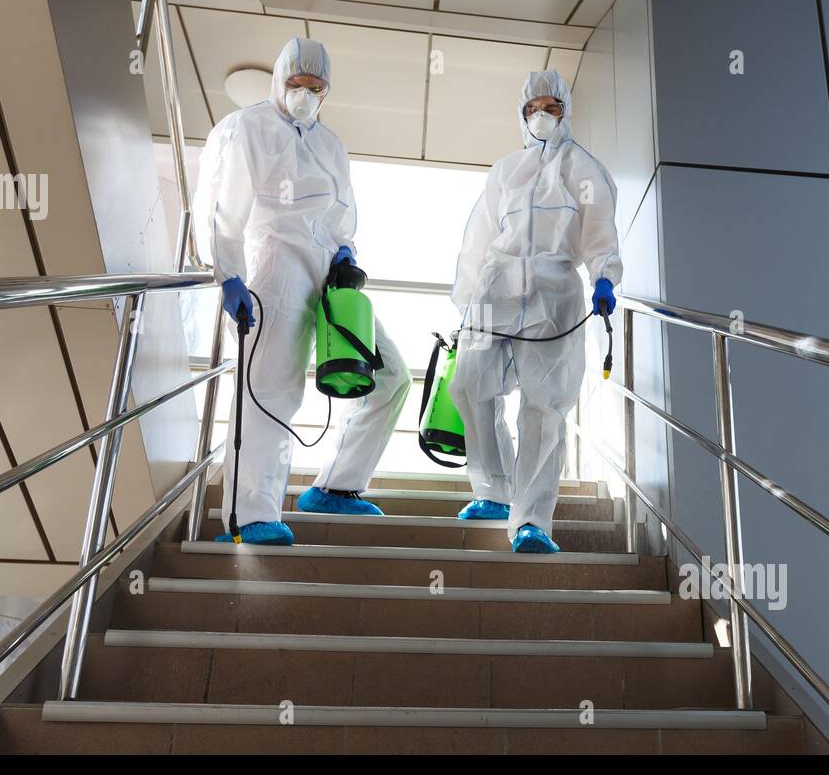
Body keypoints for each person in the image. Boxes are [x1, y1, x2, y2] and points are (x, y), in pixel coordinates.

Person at [192, 38, 410, 545]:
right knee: (270, 388)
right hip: (274, 263)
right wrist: (228, 274)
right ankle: (250, 517)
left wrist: (345, 250)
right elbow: (223, 204)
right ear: (279, 79)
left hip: (328, 276)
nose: (305, 93)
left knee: (391, 374)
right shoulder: (247, 128)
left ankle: (337, 485)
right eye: (297, 83)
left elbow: (342, 213)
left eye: (316, 87)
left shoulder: (331, 144)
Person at [448, 69, 622, 554]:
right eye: (532, 109)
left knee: (544, 409)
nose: (541, 116)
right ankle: (494, 490)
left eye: (551, 107)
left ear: (565, 111)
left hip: (554, 290)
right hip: (496, 287)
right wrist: (466, 299)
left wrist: (604, 273)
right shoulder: (505, 171)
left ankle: (532, 521)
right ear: (521, 114)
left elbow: (600, 227)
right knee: (468, 383)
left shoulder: (582, 168)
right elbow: (478, 237)